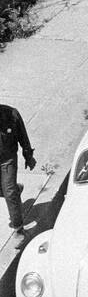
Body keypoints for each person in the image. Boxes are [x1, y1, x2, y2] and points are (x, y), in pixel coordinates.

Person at [0, 100, 35, 247]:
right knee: (8, 191)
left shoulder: (12, 114)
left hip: (7, 159)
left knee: (8, 192)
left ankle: (19, 230)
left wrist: (28, 156)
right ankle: (15, 190)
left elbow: (23, 137)